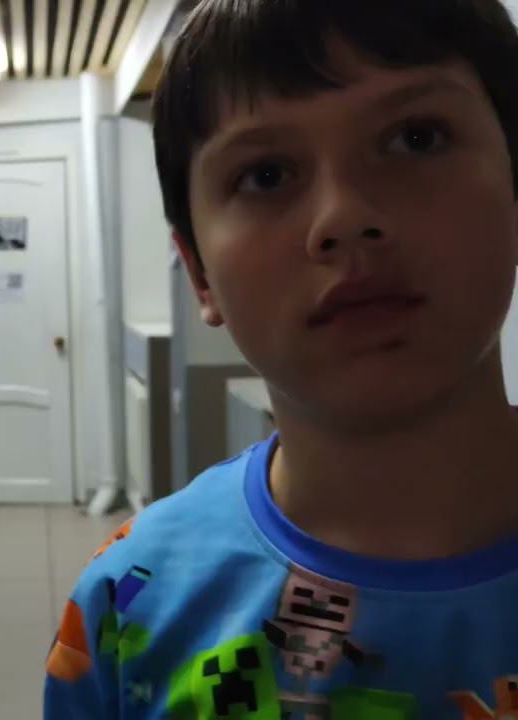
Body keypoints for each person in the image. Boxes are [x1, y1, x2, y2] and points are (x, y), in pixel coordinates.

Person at [45, 0, 518, 717]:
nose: (343, 217)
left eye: (416, 138)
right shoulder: (128, 606)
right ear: (200, 273)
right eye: (265, 175)